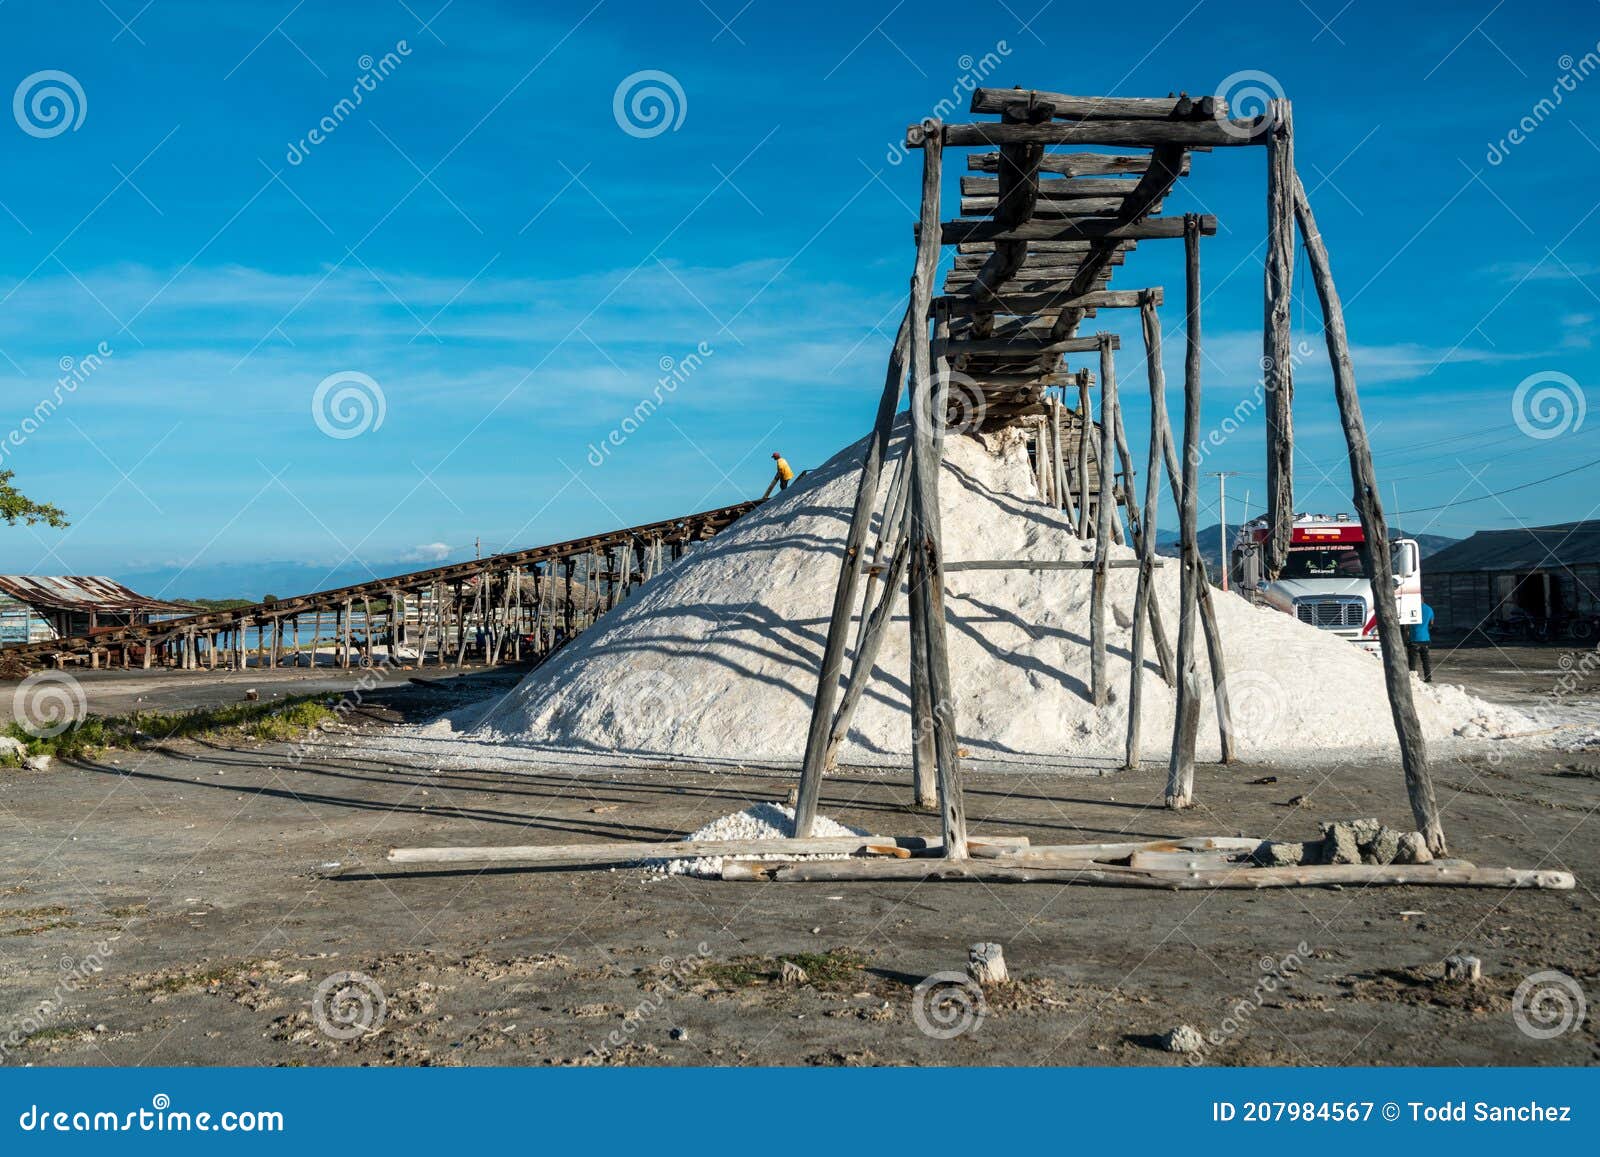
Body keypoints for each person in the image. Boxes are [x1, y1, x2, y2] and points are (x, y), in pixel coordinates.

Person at [1407, 601, 1434, 683]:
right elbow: (1431, 624)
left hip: (1414, 638)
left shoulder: (1411, 608)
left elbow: (1406, 625)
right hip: (1425, 639)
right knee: (1425, 660)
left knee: (1412, 661)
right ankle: (1428, 678)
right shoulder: (1429, 609)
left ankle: (1412, 679)